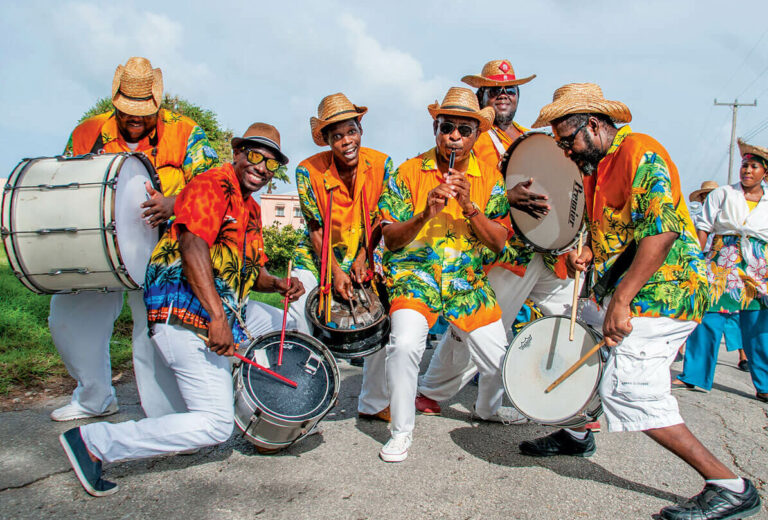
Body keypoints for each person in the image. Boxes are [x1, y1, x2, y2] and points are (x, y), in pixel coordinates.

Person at [518, 83, 761, 520]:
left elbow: (661, 232)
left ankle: (730, 485)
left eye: (567, 140)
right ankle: (576, 433)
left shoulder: (639, 152)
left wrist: (622, 300)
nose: (565, 151)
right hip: (626, 285)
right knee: (577, 345)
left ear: (593, 125)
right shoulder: (594, 166)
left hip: (668, 289)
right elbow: (611, 229)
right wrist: (588, 252)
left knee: (628, 389)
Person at [59, 123, 304, 497]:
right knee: (213, 427)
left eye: (271, 163)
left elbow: (249, 272)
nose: (261, 166)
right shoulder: (212, 184)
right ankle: (94, 442)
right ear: (237, 153)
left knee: (284, 322)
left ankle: (264, 409)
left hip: (220, 307)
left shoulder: (251, 209)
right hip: (184, 313)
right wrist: (218, 319)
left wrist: (279, 284)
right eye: (255, 155)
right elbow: (192, 246)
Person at [415, 59, 592, 429]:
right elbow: (459, 186)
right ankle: (434, 391)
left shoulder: (532, 139)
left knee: (568, 315)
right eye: (495, 90)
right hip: (503, 251)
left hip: (549, 250)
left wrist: (573, 232)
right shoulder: (472, 139)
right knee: (477, 326)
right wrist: (507, 196)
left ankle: (574, 401)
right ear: (482, 98)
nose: (504, 95)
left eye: (510, 89)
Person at [50, 57, 218, 422]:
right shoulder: (86, 133)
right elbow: (65, 187)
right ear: (115, 101)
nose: (135, 118)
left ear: (157, 103)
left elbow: (215, 188)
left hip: (161, 249)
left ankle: (167, 418)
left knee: (155, 331)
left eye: (144, 111)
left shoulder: (186, 131)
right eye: (128, 111)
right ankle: (94, 397)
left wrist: (173, 203)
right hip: (97, 250)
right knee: (69, 319)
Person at [377, 87, 516, 462]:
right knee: (404, 344)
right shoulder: (407, 172)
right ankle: (401, 432)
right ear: (435, 128)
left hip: (465, 282)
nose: (453, 136)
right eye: (446, 127)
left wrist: (470, 207)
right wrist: (425, 213)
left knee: (499, 359)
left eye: (463, 129)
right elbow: (390, 239)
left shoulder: (489, 178)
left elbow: (500, 242)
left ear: (476, 134)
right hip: (415, 277)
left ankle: (487, 409)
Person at [288, 93, 393, 422]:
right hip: (319, 257)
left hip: (364, 254)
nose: (346, 141)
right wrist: (333, 272)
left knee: (381, 320)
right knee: (297, 312)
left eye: (350, 131)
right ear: (328, 140)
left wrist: (365, 255)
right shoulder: (307, 171)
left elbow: (381, 218)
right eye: (336, 136)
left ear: (360, 128)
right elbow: (315, 229)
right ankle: (302, 401)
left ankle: (374, 402)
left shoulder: (382, 164)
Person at [675, 139, 768, 401]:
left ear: (765, 173)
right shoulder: (723, 194)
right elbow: (703, 227)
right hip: (722, 258)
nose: (747, 171)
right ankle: (694, 375)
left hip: (759, 263)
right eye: (744, 165)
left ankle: (764, 384)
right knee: (709, 315)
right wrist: (693, 260)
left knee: (758, 323)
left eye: (753, 167)